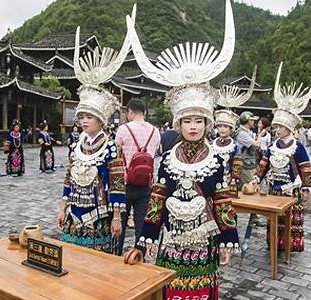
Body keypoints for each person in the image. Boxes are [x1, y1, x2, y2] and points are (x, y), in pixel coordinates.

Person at [124, 2, 239, 298]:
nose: (192, 127)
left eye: (198, 120)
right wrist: (146, 237)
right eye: (186, 120)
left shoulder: (214, 159)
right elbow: (157, 199)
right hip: (172, 239)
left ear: (206, 123)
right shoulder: (169, 160)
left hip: (203, 241)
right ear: (178, 122)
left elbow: (222, 200)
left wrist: (228, 240)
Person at [56, 25, 128, 252]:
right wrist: (62, 207)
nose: (84, 121)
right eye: (82, 117)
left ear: (101, 120)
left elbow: (117, 186)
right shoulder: (77, 146)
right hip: (74, 214)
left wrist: (117, 217)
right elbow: (69, 180)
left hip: (100, 217)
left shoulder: (111, 148)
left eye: (89, 117)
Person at [252, 54, 311, 252]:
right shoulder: (273, 145)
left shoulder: (298, 146)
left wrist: (306, 187)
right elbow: (263, 164)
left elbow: (305, 167)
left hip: (291, 188)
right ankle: (274, 243)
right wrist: (256, 180)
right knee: (275, 219)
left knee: (290, 219)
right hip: (274, 187)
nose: (277, 130)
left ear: (289, 128)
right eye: (276, 127)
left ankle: (290, 245)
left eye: (280, 127)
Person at [115, 98, 161, 255]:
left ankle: (115, 254)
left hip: (125, 183)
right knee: (141, 223)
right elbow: (154, 153)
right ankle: (139, 256)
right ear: (144, 112)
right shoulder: (155, 132)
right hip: (146, 183)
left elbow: (117, 154)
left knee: (119, 221)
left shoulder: (123, 129)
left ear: (130, 112)